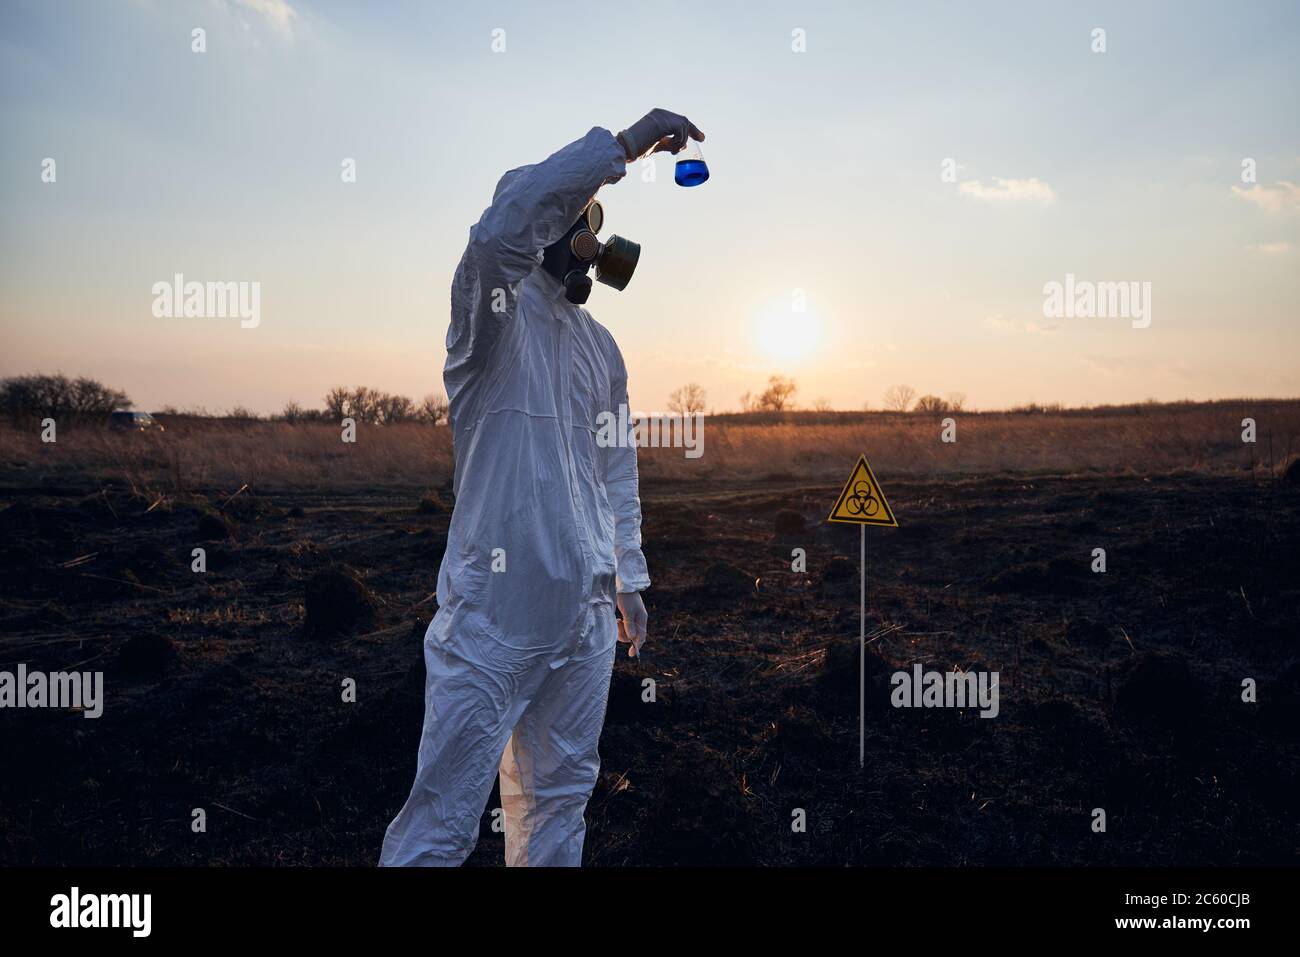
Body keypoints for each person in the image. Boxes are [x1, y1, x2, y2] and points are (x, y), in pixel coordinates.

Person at [380, 110, 705, 867]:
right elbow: (497, 238)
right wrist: (622, 147)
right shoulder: (490, 321)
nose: (589, 240)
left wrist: (629, 578)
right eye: (575, 219)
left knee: (559, 805)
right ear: (548, 221)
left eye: (593, 223)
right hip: (493, 621)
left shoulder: (600, 347)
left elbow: (614, 470)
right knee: (443, 820)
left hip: (583, 620)